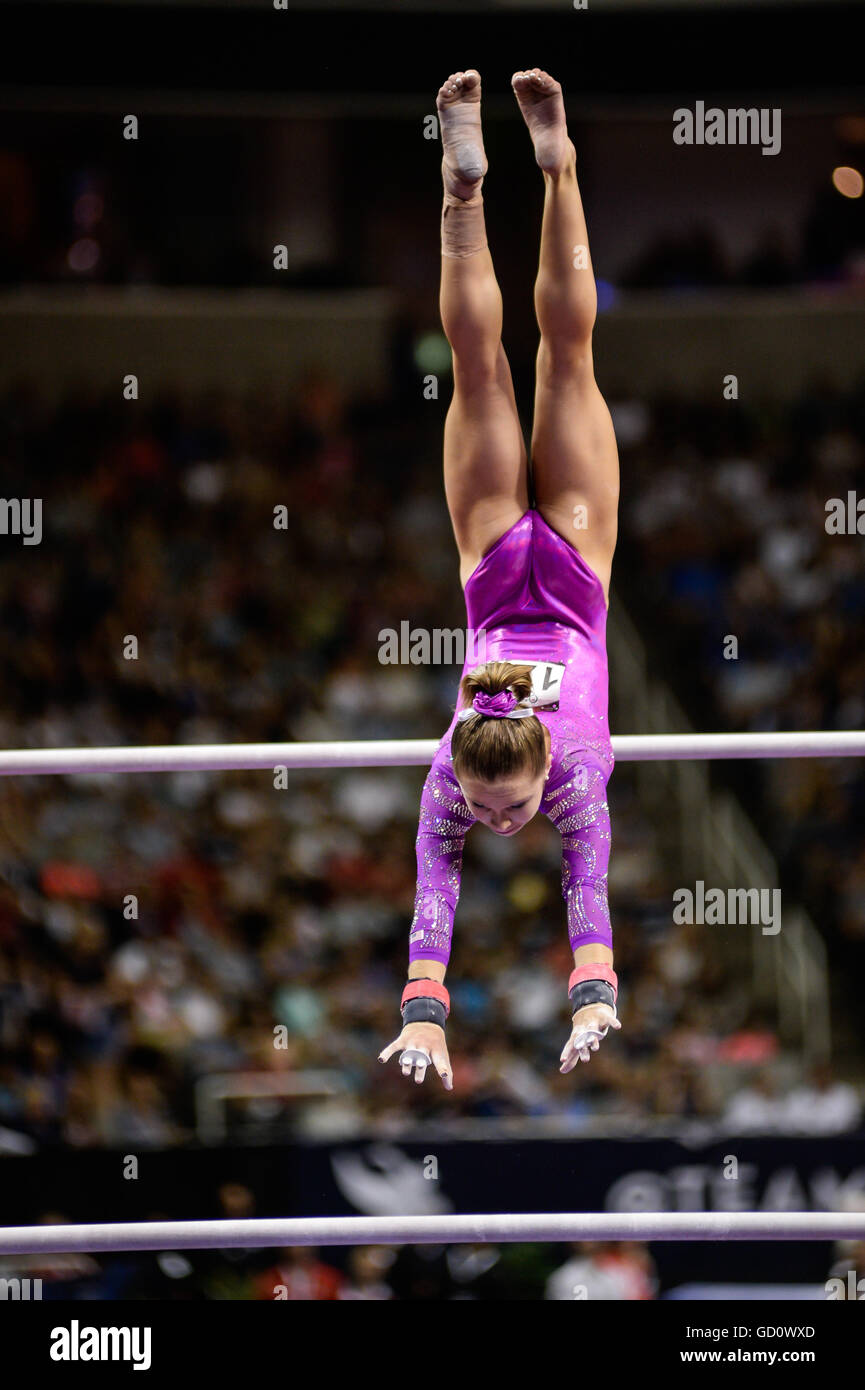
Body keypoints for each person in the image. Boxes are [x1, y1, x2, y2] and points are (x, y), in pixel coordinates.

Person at [379, 69, 621, 1089]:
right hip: (505, 564)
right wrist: (591, 993)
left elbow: (468, 887)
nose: (494, 818)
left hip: (555, 569)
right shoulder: (473, 763)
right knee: (520, 363)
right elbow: (584, 892)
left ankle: (518, 172)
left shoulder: (537, 771)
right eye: (496, 808)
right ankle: (474, 182)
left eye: (497, 808)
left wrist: (426, 1014)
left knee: (551, 362)